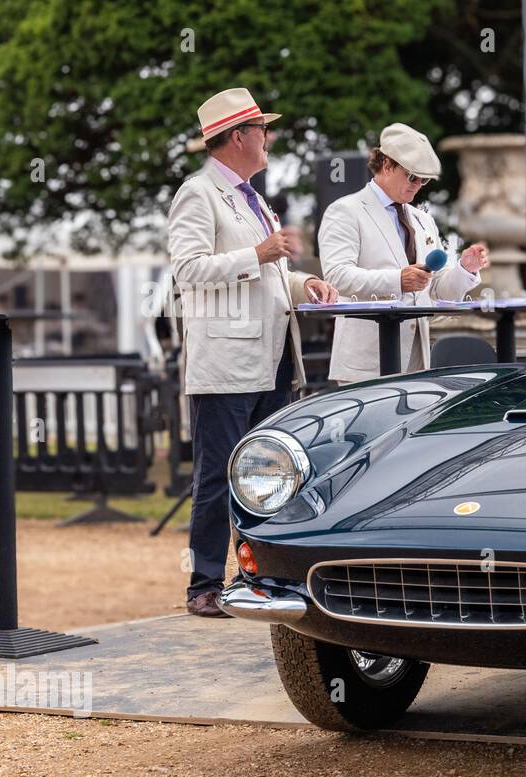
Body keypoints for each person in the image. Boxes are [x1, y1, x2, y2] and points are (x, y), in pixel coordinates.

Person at [168, 87, 338, 618]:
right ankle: (202, 585)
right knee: (217, 476)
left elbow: (271, 278)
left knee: (268, 472)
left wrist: (305, 283)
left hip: (271, 358)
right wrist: (256, 253)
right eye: (263, 129)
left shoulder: (253, 198)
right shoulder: (197, 193)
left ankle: (258, 575)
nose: (270, 138)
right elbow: (187, 271)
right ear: (239, 135)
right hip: (226, 363)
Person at [319, 123, 490, 384]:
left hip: (417, 360)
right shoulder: (345, 210)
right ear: (387, 165)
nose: (418, 185)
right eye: (413, 177)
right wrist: (397, 280)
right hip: (368, 362)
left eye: (424, 180)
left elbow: (438, 290)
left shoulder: (422, 219)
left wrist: (465, 269)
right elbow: (336, 277)